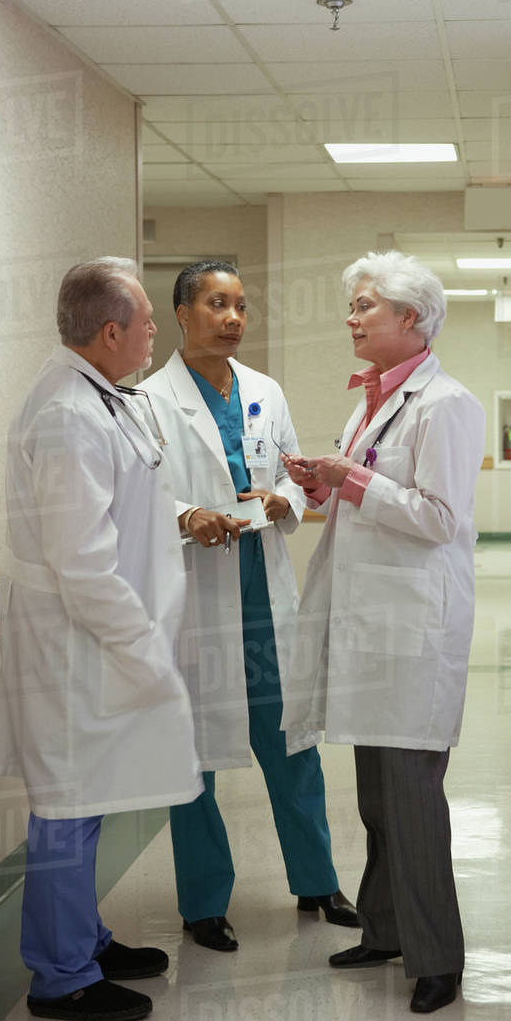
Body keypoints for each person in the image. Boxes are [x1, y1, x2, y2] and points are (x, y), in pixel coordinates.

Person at [0, 258, 202, 1021]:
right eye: (145, 320)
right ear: (110, 332)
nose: (153, 330)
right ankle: (60, 976)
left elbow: (135, 504)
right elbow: (83, 565)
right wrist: (145, 653)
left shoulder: (101, 396)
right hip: (80, 647)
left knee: (95, 792)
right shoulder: (68, 416)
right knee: (68, 805)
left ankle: (86, 938)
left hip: (104, 643)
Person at [280, 250, 485, 1015]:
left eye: (365, 305)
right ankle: (388, 928)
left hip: (412, 634)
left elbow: (438, 518)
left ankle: (439, 959)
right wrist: (321, 485)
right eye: (352, 305)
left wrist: (351, 478)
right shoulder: (370, 402)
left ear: (411, 318)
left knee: (412, 800)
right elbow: (365, 505)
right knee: (375, 796)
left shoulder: (447, 404)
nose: (351, 317)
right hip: (368, 627)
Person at [141, 260, 357, 954]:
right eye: (216, 304)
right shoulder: (149, 401)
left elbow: (294, 476)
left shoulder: (264, 390)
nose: (233, 318)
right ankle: (204, 903)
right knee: (193, 757)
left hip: (262, 592)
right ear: (181, 313)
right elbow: (136, 499)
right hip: (195, 600)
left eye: (240, 305)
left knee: (293, 743)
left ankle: (317, 880)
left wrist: (283, 499)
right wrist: (186, 515)